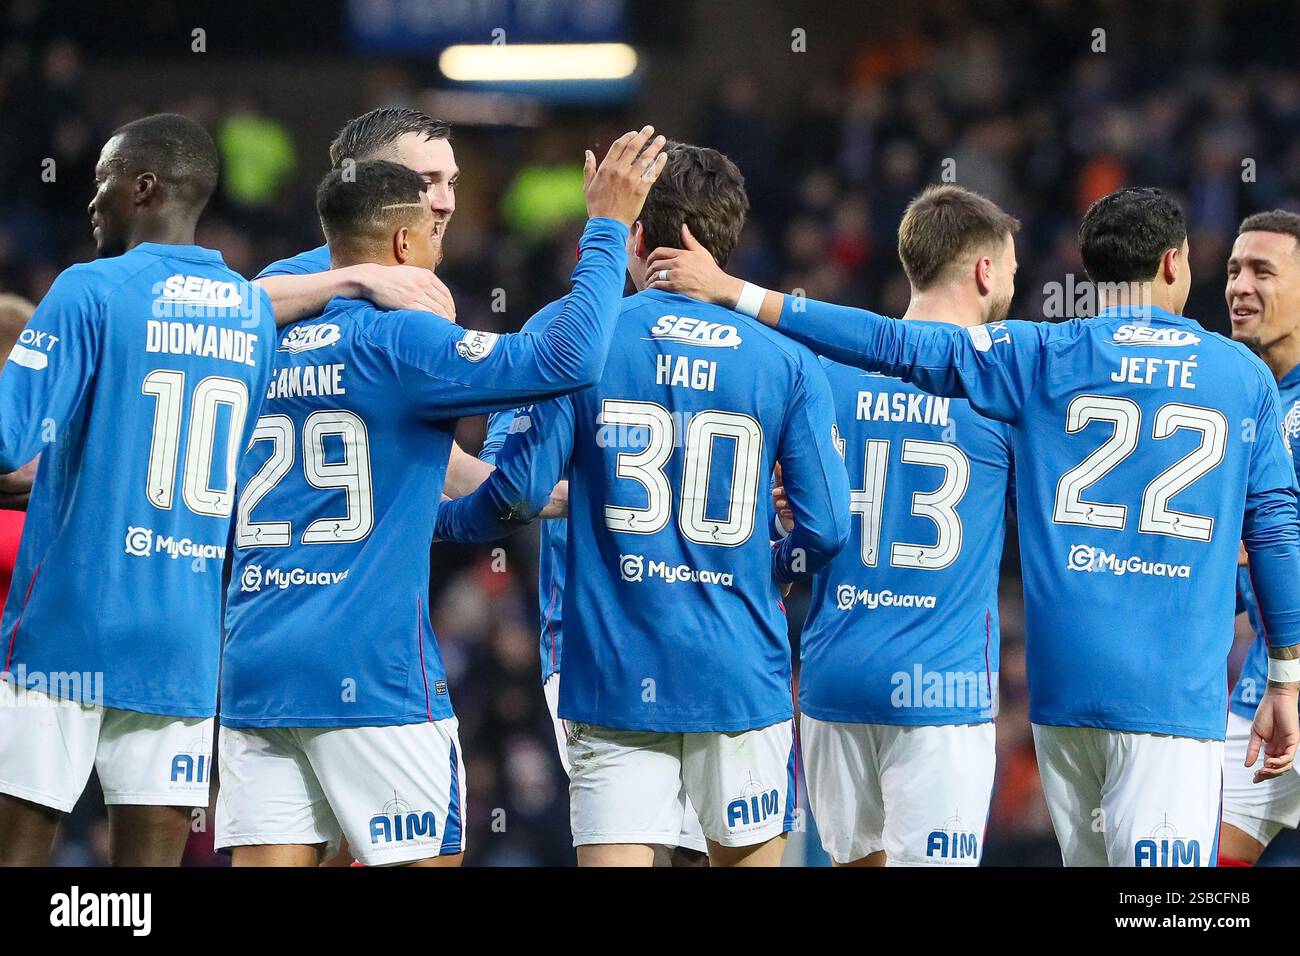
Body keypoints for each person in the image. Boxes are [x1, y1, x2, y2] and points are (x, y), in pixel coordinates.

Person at [651, 185, 1300, 867]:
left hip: (1055, 695)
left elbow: (889, 342)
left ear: (1088, 271)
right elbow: (1278, 534)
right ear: (1175, 263)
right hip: (1163, 695)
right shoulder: (1239, 378)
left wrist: (738, 292)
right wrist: (1285, 677)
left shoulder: (1035, 358)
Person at [215, 128, 667, 867]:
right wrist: (608, 227)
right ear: (397, 238)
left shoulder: (266, 324)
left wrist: (519, 497)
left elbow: (409, 461)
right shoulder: (398, 333)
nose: (444, 211)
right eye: (428, 197)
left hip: (256, 655)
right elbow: (565, 359)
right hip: (368, 662)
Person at [435, 143, 850, 867]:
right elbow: (827, 528)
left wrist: (439, 519)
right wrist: (774, 558)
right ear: (725, 242)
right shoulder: (786, 359)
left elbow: (512, 491)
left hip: (609, 666)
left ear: (633, 238)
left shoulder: (577, 338)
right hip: (738, 667)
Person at [0, 113, 276, 866]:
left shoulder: (87, 289)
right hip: (180, 641)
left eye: (102, 181)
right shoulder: (253, 312)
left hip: (70, 629)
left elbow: (3, 442)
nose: (93, 201)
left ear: (143, 186)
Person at [795, 185, 1015, 866]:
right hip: (940, 689)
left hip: (833, 677)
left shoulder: (827, 376)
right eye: (1010, 267)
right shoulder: (1003, 390)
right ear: (982, 270)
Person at [253, 106, 488, 498]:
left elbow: (451, 468)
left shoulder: (416, 286)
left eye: (452, 183)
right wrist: (358, 278)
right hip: (293, 548)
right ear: (374, 184)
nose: (446, 202)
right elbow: (234, 309)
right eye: (428, 182)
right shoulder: (312, 273)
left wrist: (578, 499)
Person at [1220, 209, 1300, 865]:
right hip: (1268, 678)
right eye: (1233, 270)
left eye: (1262, 270)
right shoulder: (1244, 398)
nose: (1240, 286)